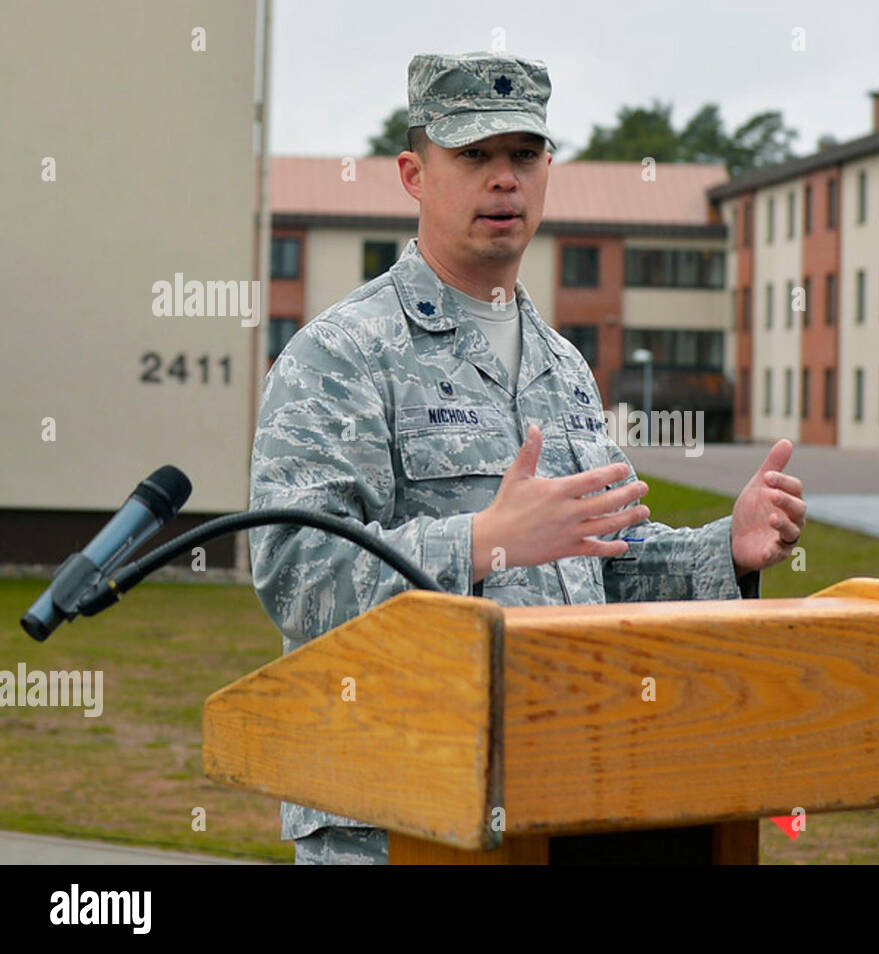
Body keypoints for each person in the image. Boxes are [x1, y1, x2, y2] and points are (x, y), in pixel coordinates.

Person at [248, 51, 806, 865]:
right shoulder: (341, 354)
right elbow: (295, 573)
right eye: (473, 156)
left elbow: (604, 565)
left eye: (523, 155)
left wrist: (727, 546)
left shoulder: (564, 364)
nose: (503, 180)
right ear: (413, 172)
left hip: (559, 804)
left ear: (549, 171)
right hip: (394, 819)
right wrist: (480, 542)